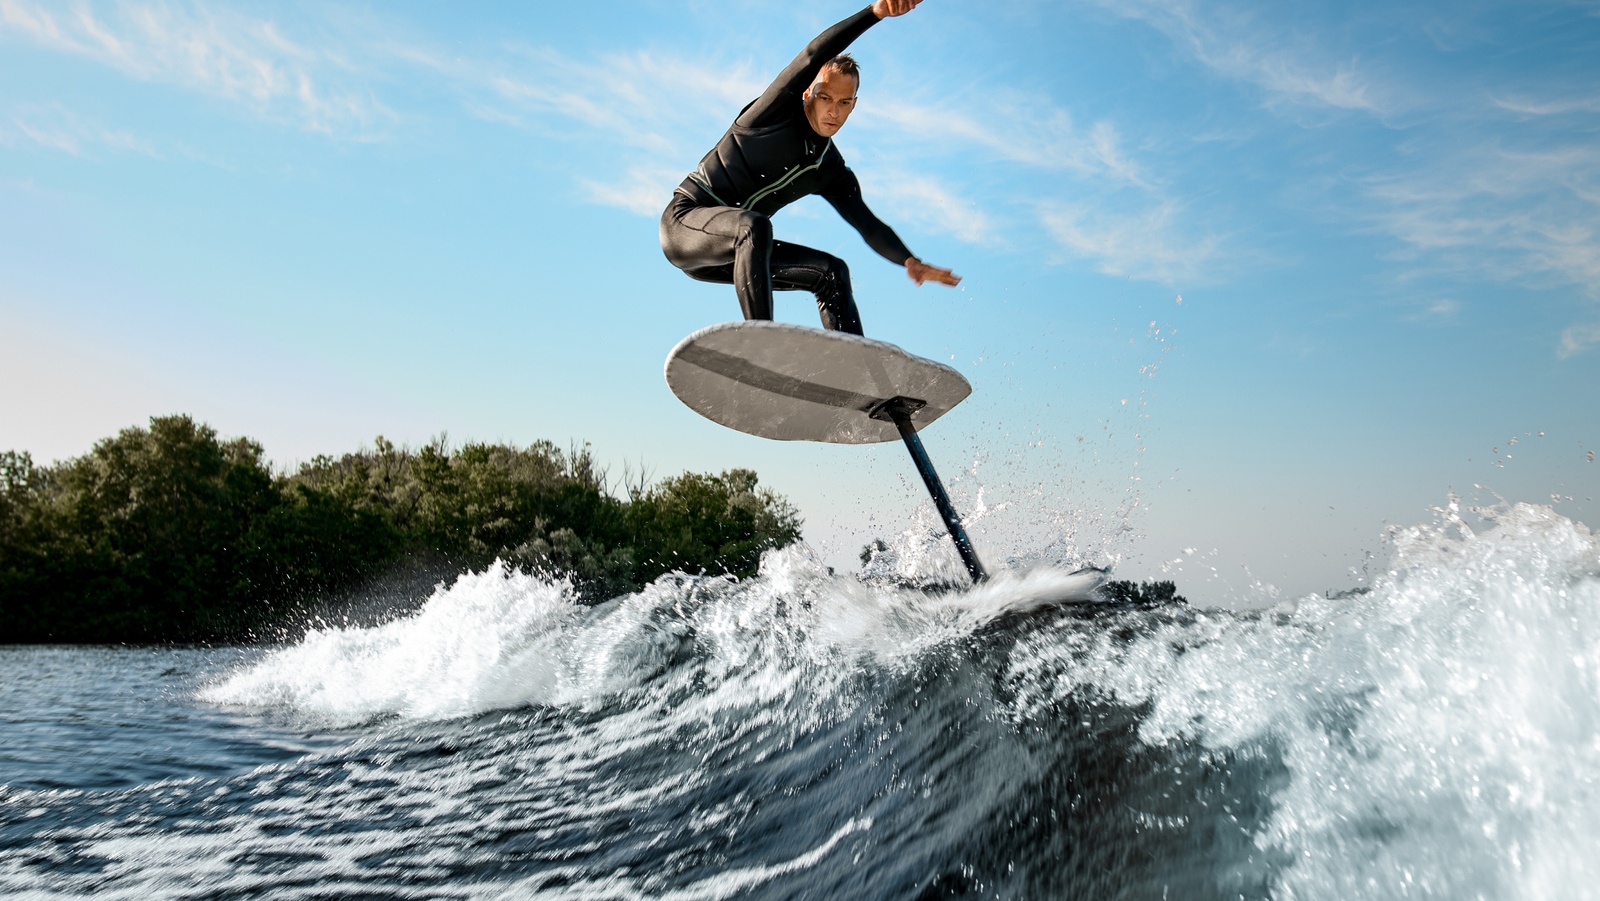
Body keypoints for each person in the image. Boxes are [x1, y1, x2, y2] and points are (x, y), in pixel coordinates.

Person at [659, 0, 960, 337]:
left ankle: (854, 371)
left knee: (832, 272)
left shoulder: (828, 167)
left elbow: (868, 224)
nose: (834, 111)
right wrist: (874, 13)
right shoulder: (771, 115)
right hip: (685, 227)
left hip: (740, 258)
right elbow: (813, 54)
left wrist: (909, 261)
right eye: (825, 98)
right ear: (807, 93)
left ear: (854, 105)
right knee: (754, 226)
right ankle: (762, 340)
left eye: (844, 103)